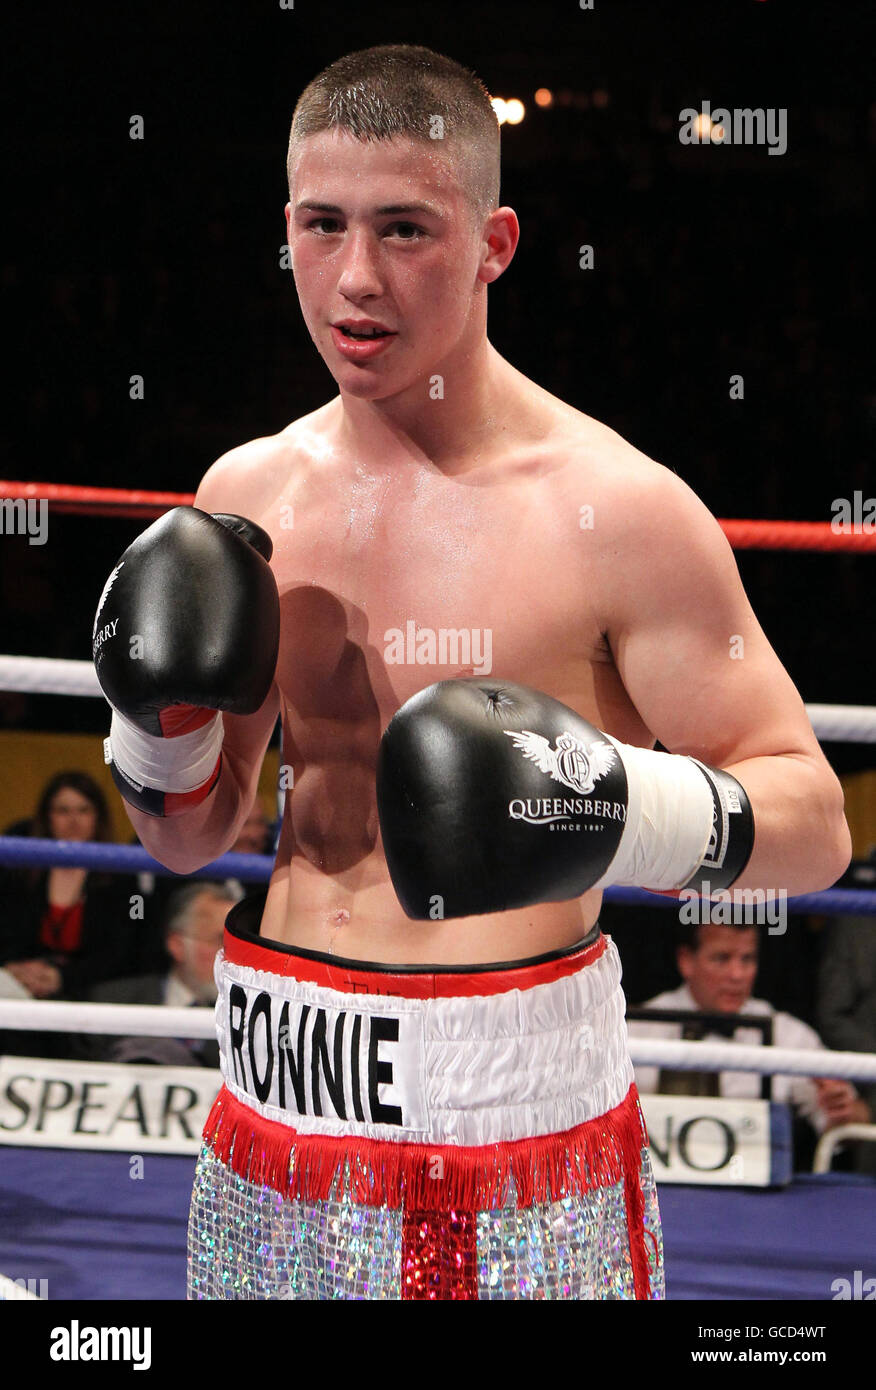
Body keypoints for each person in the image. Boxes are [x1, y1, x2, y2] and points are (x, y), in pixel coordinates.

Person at [91, 46, 850, 1300]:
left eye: (406, 229)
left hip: (515, 1150)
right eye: (323, 226)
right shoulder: (247, 494)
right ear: (287, 228)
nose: (356, 279)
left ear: (496, 241)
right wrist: (156, 730)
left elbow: (814, 823)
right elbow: (186, 840)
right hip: (270, 1124)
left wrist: (609, 805)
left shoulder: (621, 511)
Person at [628, 921, 869, 1164]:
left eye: (747, 960)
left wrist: (843, 1113)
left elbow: (849, 1128)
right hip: (658, 1188)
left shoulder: (788, 1034)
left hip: (756, 1195)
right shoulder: (638, 1030)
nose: (737, 975)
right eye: (721, 959)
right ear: (686, 961)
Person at [0, 771, 140, 1056]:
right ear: (47, 817)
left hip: (87, 990)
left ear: (97, 817)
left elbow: (125, 949)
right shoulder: (18, 870)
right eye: (63, 810)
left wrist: (62, 977)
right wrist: (14, 967)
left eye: (83, 810)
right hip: (18, 985)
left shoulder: (126, 881)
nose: (73, 820)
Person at [83, 883, 234, 1068]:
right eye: (220, 941)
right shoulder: (111, 1003)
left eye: (239, 946)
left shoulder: (244, 1022)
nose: (232, 957)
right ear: (177, 945)